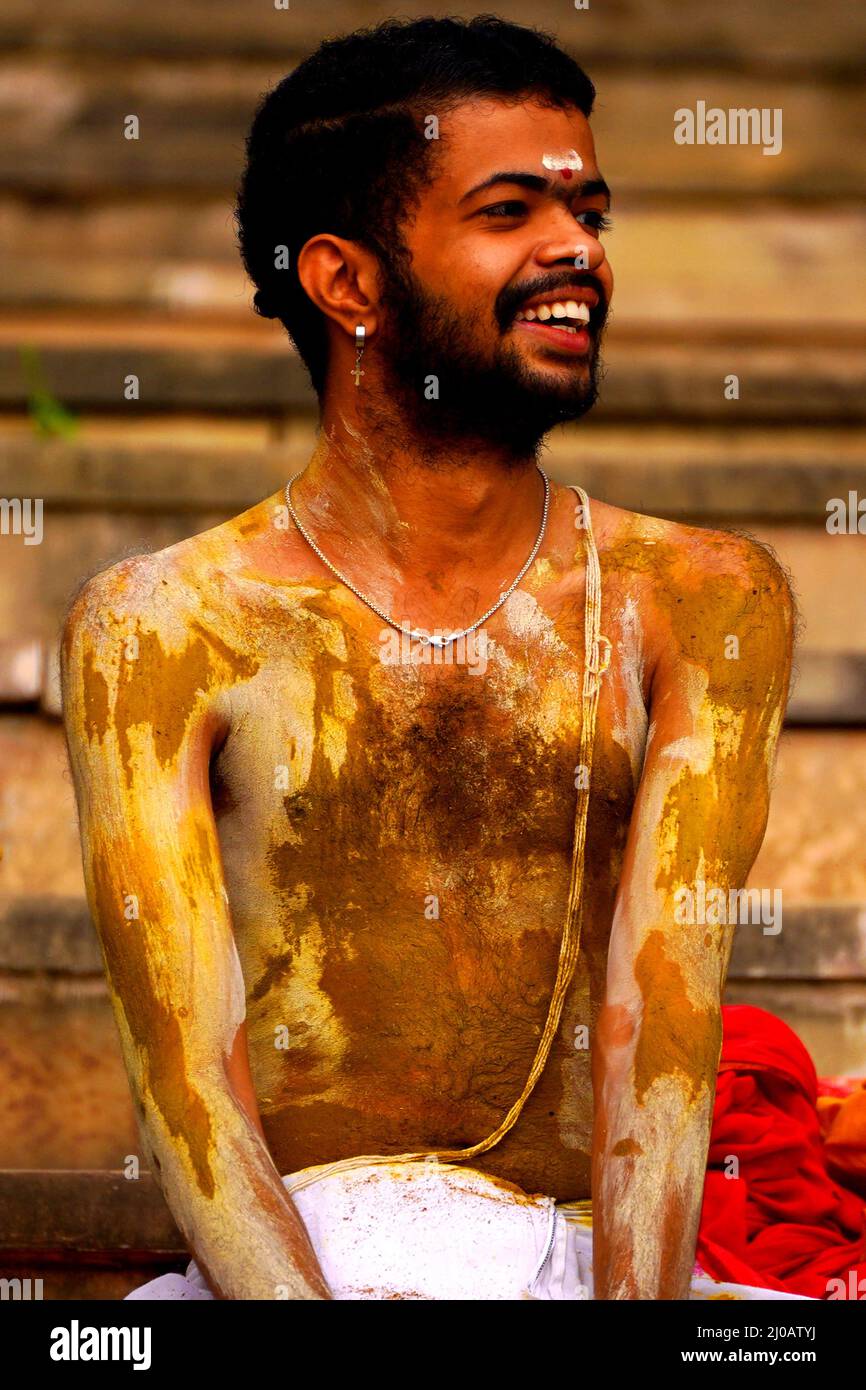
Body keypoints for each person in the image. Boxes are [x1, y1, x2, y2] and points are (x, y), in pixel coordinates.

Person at [61, 16, 795, 1300]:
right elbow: (187, 1079)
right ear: (345, 284)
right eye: (509, 210)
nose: (576, 250)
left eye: (590, 214)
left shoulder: (701, 599)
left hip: (591, 1269)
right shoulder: (160, 622)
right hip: (285, 1271)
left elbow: (662, 1031)